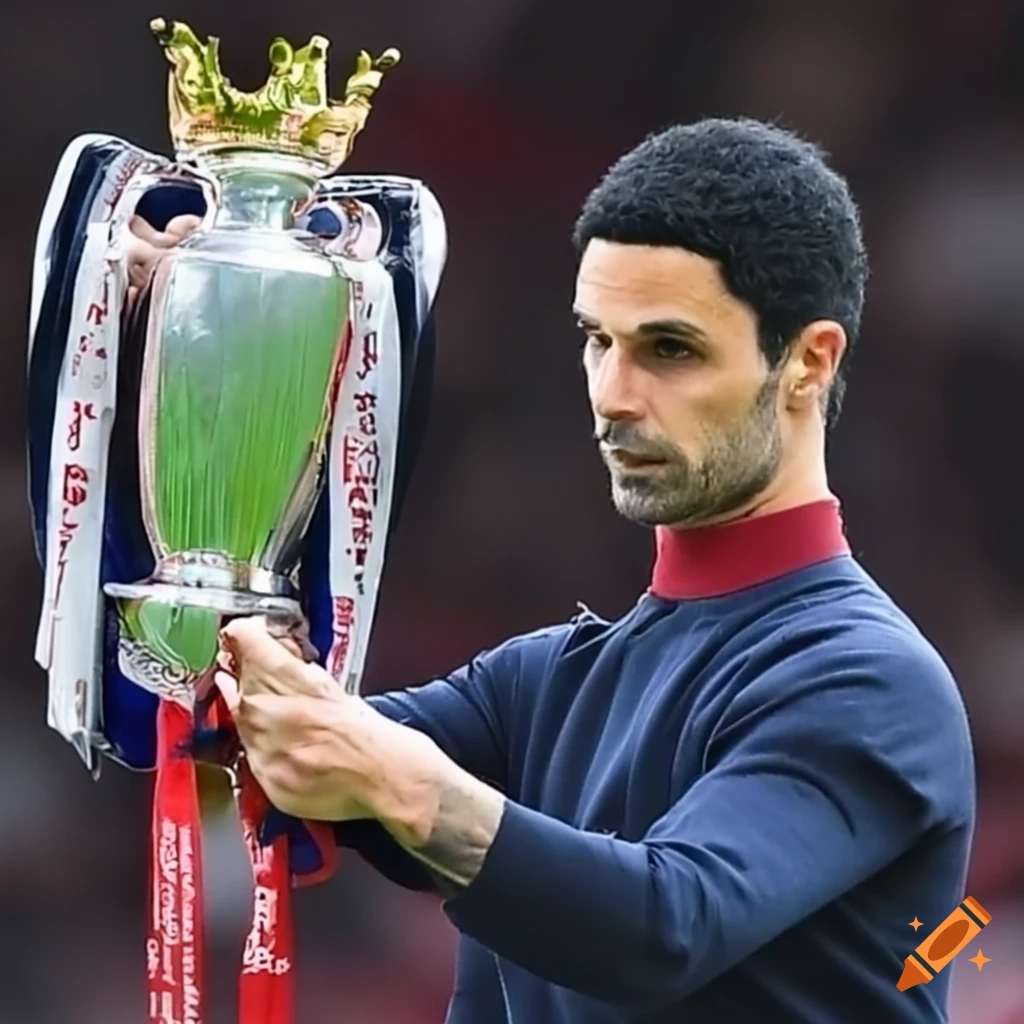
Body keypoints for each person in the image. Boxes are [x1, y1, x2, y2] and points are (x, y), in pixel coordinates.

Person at [130, 118, 976, 1023]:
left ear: (808, 362)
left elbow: (664, 926)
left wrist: (405, 783)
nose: (612, 392)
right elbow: (204, 733)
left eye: (670, 349)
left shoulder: (869, 684)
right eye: (597, 340)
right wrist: (187, 345)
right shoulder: (542, 684)